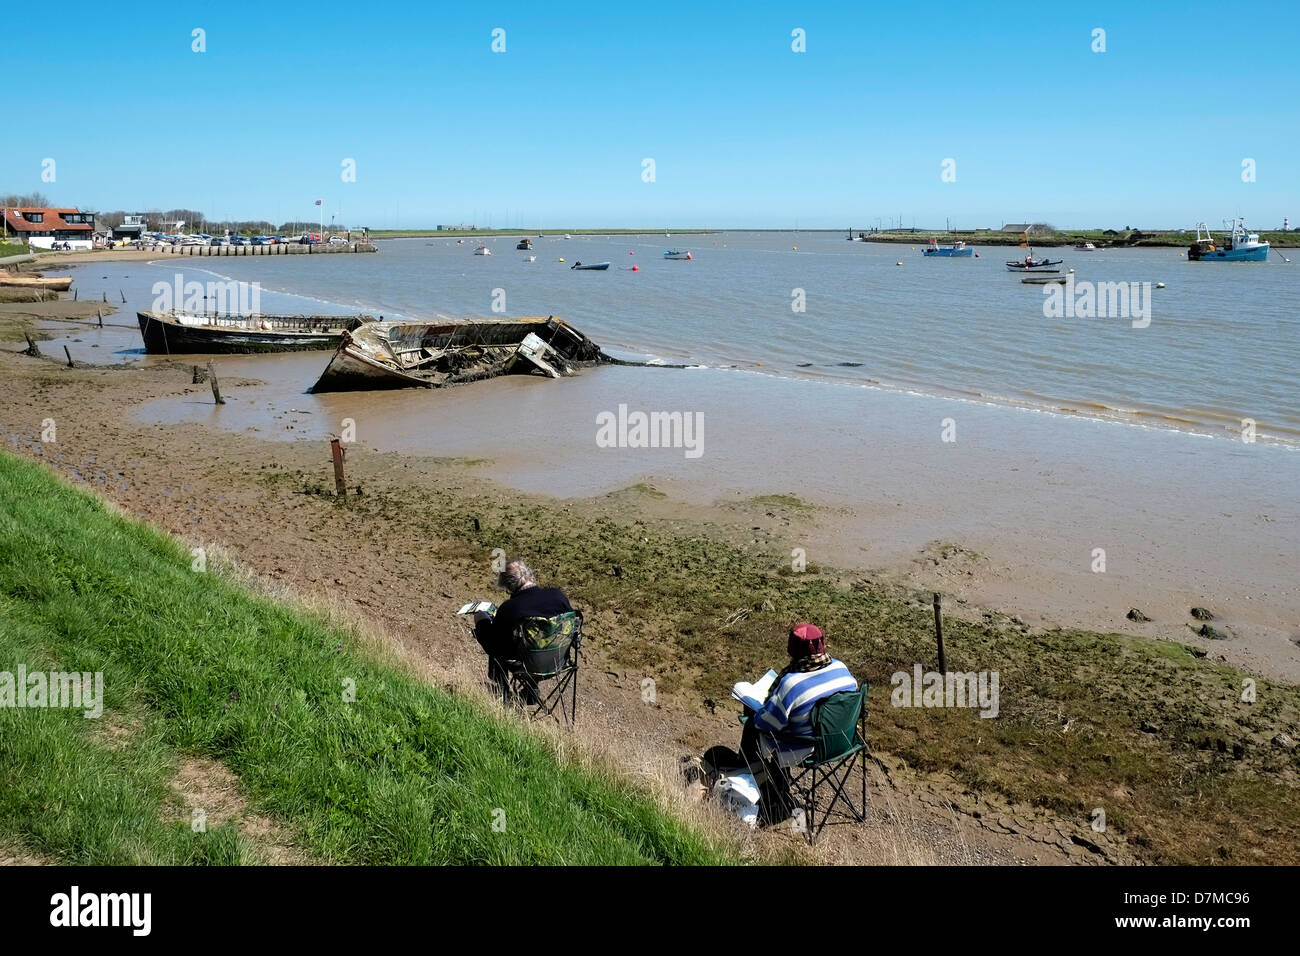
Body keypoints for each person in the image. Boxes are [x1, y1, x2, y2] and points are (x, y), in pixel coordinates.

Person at [739, 622, 858, 823]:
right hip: (843, 742)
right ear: (822, 646)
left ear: (792, 650)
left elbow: (769, 724)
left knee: (752, 724)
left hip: (806, 748)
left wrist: (757, 712)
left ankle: (752, 786)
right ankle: (765, 785)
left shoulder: (791, 683)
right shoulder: (842, 669)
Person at [473, 558, 572, 699]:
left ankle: (503, 690)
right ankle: (531, 688)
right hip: (559, 661)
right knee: (535, 640)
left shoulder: (510, 608)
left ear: (507, 586)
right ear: (529, 574)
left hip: (526, 665)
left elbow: (493, 646)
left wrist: (481, 620)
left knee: (499, 640)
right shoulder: (558, 596)